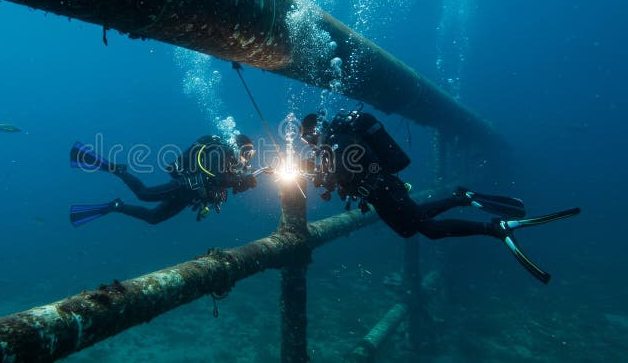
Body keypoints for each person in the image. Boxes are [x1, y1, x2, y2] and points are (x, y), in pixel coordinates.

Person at [300, 109, 580, 284]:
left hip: (385, 191)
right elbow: (348, 172)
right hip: (382, 193)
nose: (310, 145)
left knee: (430, 230)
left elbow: (356, 168)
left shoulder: (339, 141)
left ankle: (495, 228)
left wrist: (328, 177)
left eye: (307, 139)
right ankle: (461, 198)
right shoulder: (337, 142)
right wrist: (325, 176)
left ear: (315, 131)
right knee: (409, 229)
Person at [68, 134, 259, 226]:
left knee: (153, 218)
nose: (246, 158)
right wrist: (241, 182)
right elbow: (216, 176)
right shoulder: (220, 152)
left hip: (187, 197)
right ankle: (116, 169)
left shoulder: (231, 165)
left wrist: (240, 184)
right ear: (237, 147)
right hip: (184, 187)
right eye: (246, 153)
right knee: (143, 194)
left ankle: (115, 206)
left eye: (250, 155)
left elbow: (223, 184)